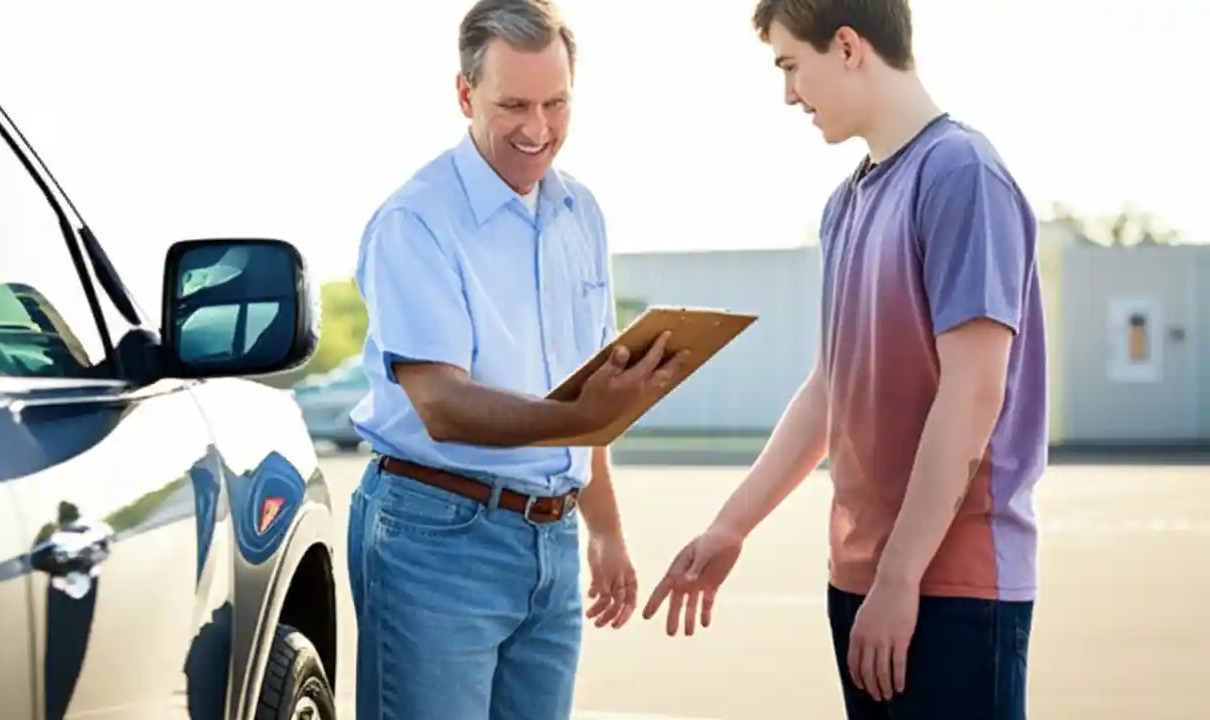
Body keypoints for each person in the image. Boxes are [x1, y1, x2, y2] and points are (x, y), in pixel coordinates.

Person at [642, 2, 1046, 719]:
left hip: (948, 590)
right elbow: (829, 391)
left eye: (791, 66)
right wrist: (729, 526)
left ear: (850, 46)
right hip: (862, 583)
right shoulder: (846, 202)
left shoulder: (962, 175)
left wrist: (900, 578)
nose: (789, 94)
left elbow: (974, 393)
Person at [347, 1, 686, 718]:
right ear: (465, 95)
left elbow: (589, 393)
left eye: (556, 103)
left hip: (552, 541)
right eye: (514, 105)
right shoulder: (416, 222)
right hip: (436, 540)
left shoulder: (580, 214)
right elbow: (441, 403)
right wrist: (579, 414)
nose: (538, 129)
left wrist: (606, 531)